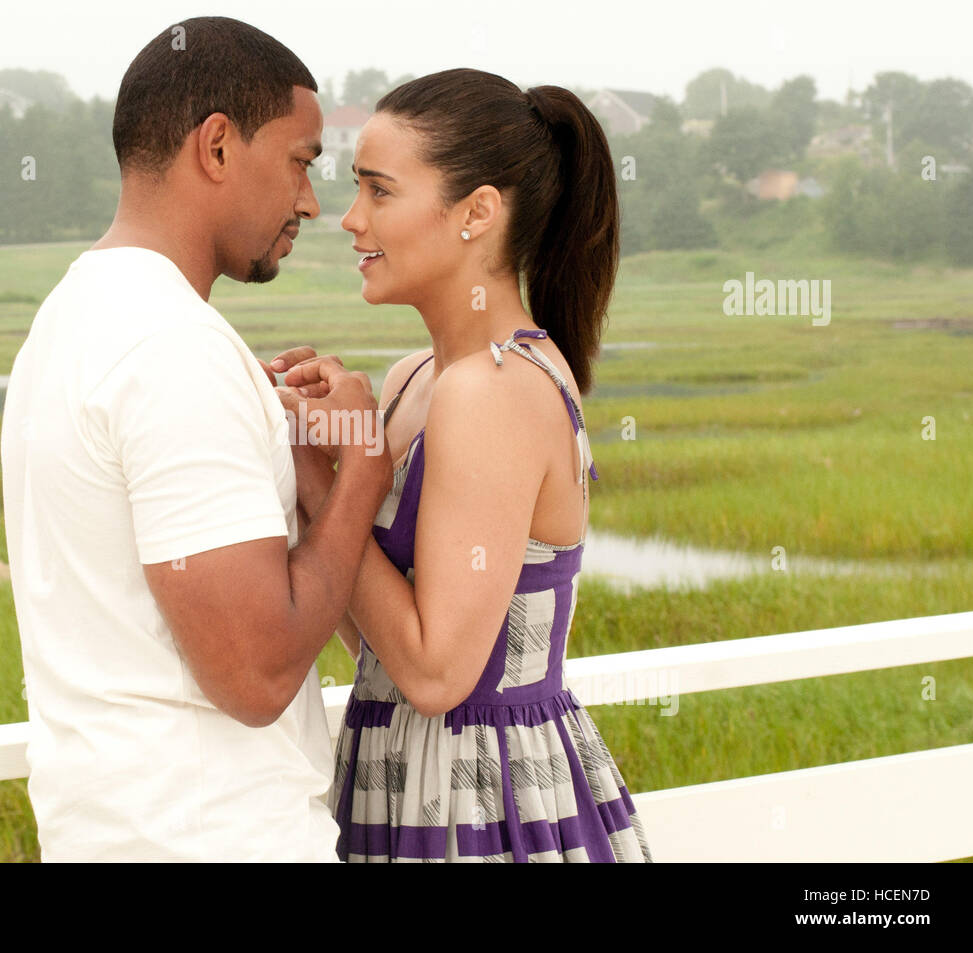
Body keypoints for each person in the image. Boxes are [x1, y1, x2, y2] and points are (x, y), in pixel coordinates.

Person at [0, 16, 392, 862]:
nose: (311, 203)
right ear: (216, 146)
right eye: (300, 161)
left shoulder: (68, 317)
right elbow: (252, 675)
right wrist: (364, 462)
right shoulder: (173, 346)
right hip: (216, 837)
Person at [283, 68, 655, 862]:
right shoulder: (415, 379)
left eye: (380, 192)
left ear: (478, 213)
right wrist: (331, 456)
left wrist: (325, 478)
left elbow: (437, 675)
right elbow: (380, 644)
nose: (350, 220)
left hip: (481, 800)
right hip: (407, 779)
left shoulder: (494, 390)